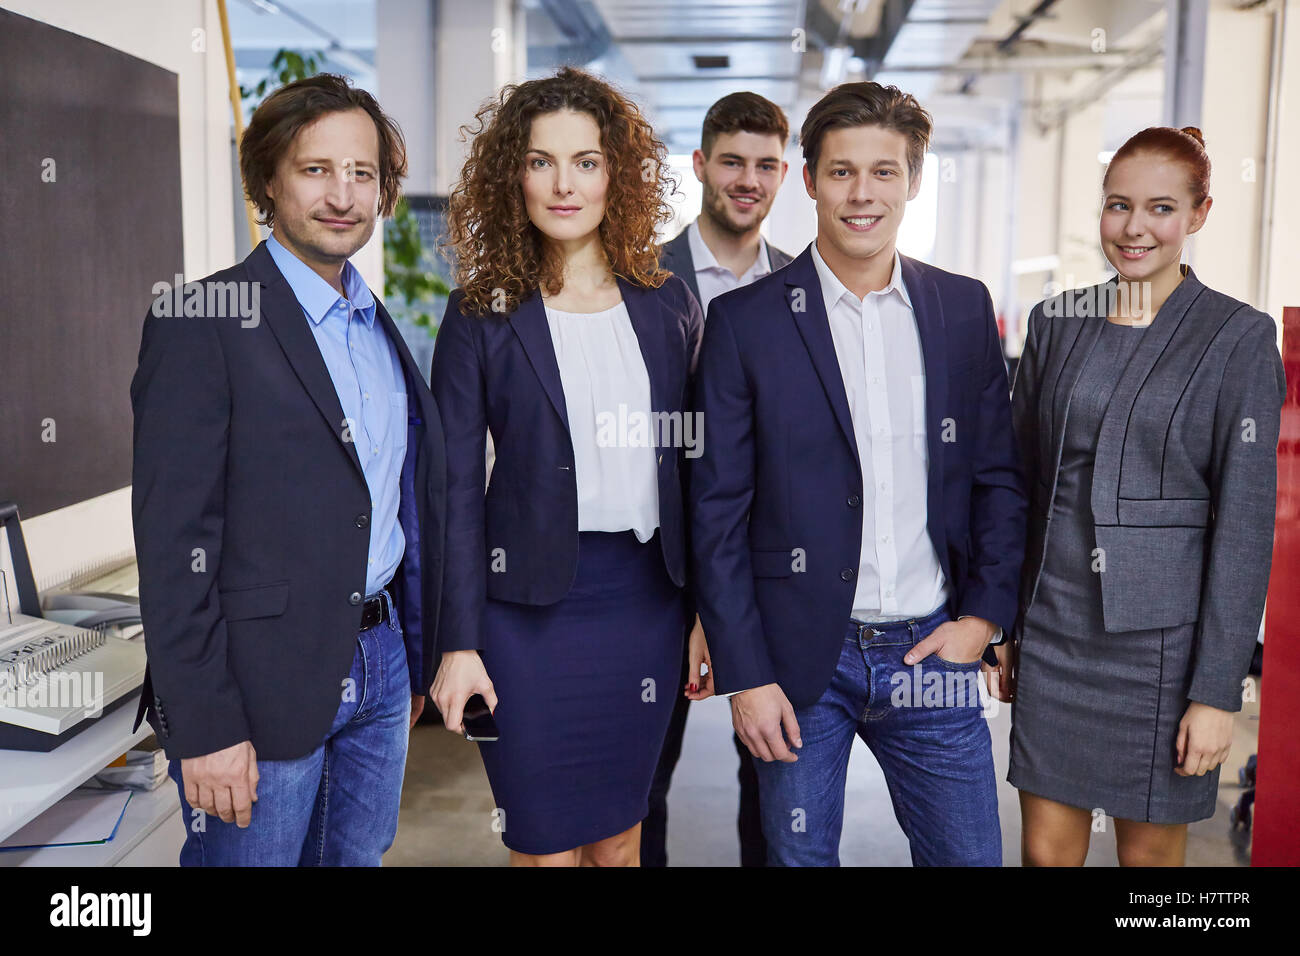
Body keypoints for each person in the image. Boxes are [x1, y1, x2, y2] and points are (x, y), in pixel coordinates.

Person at [689, 81, 1027, 866]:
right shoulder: (746, 323)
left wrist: (982, 621)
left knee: (970, 857)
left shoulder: (963, 309)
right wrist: (746, 675)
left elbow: (998, 480)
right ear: (808, 181)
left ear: (914, 180)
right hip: (802, 662)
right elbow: (717, 511)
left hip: (932, 653)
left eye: (883, 172)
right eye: (841, 172)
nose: (862, 193)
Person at [130, 74, 447, 866]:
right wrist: (203, 726)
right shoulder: (201, 321)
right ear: (268, 179)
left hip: (380, 665)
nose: (342, 194)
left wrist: (407, 653)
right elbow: (174, 547)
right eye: (315, 170)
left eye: (363, 174)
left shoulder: (380, 330)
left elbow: (388, 503)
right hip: (256, 686)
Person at [429, 66, 703, 867]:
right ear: (513, 174)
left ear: (615, 173)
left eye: (585, 161)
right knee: (543, 845)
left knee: (620, 841)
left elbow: (695, 469)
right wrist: (458, 642)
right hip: (524, 615)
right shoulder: (481, 311)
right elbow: (451, 489)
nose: (563, 184)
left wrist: (702, 615)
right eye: (541, 161)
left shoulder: (668, 302)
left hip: (646, 606)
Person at [997, 126, 1286, 866]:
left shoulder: (1238, 337)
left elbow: (1245, 527)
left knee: (1151, 871)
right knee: (1044, 855)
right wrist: (1004, 623)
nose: (1134, 228)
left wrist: (1218, 692)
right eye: (1118, 205)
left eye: (1160, 208)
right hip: (1055, 633)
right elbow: (1020, 483)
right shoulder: (1058, 321)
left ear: (1199, 213)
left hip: (1164, 653)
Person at [646, 90, 793, 869]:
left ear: (786, 173)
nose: (749, 179)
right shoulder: (637, 280)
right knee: (641, 787)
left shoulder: (807, 289)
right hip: (655, 575)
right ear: (700, 165)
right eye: (732, 161)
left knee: (777, 789)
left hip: (773, 577)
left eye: (766, 164)